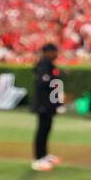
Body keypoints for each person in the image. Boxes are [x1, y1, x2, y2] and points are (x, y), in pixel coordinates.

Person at [30, 43, 63, 172]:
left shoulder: (48, 64)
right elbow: (45, 82)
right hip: (43, 103)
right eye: (54, 52)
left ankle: (44, 155)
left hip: (49, 104)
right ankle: (38, 159)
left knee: (47, 128)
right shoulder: (43, 64)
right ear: (47, 52)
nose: (56, 54)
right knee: (42, 130)